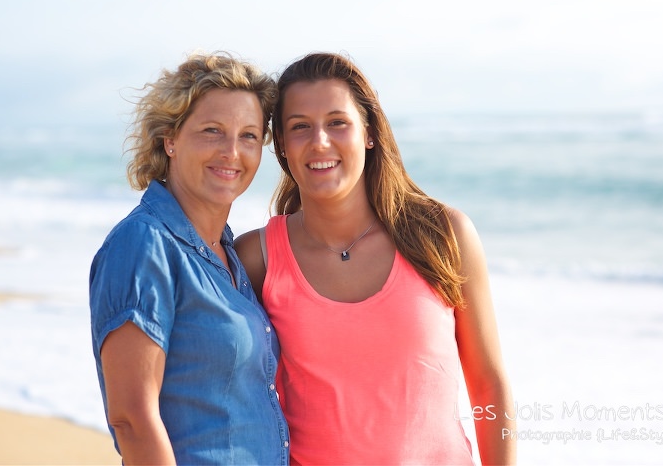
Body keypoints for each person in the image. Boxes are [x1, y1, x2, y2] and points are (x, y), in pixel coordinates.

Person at [235, 52, 516, 465]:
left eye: (337, 122)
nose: (320, 142)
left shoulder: (444, 235)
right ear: (281, 146)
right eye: (300, 127)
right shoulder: (257, 257)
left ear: (368, 132)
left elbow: (489, 388)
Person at [89, 52, 289, 465]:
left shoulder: (227, 252)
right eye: (212, 131)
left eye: (249, 135)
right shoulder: (144, 244)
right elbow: (131, 418)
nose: (232, 152)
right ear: (171, 139)